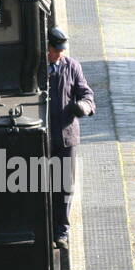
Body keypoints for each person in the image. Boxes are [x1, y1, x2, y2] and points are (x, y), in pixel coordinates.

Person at [45, 26, 94, 250]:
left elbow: (87, 95)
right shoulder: (37, 68)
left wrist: (83, 106)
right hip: (44, 137)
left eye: (61, 50)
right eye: (55, 50)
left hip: (66, 137)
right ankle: (46, 226)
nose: (59, 54)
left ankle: (61, 231)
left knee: (64, 186)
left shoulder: (72, 67)